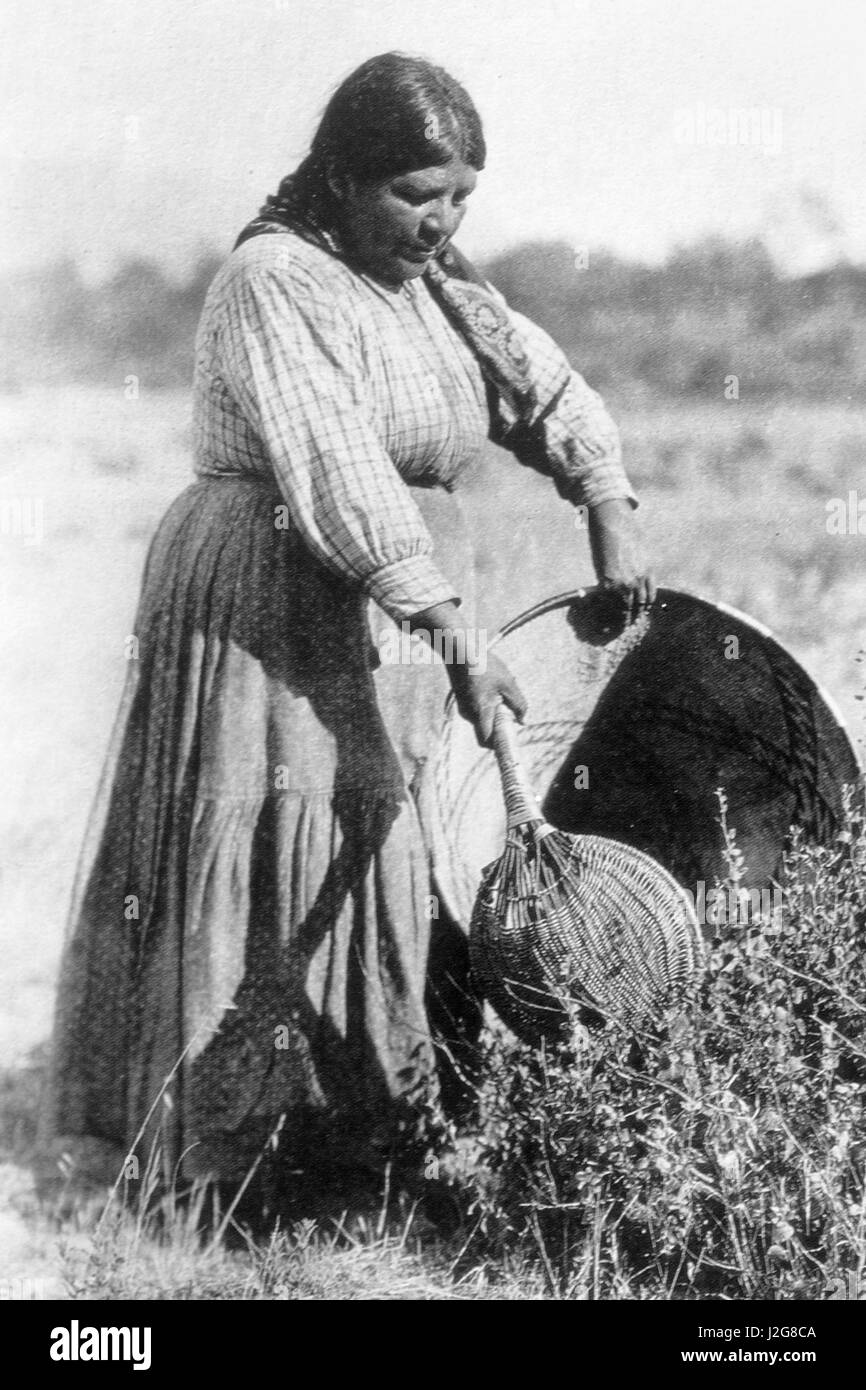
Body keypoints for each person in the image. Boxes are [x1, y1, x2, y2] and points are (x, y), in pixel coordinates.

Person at [47, 52, 653, 1212]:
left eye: (460, 197)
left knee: (385, 828)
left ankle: (361, 1136)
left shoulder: (430, 281)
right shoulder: (274, 278)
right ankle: (228, 1161)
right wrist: (453, 632)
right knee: (296, 821)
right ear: (341, 178)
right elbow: (335, 466)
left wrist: (606, 497)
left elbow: (537, 382)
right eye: (413, 195)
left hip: (384, 587)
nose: (438, 221)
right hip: (271, 581)